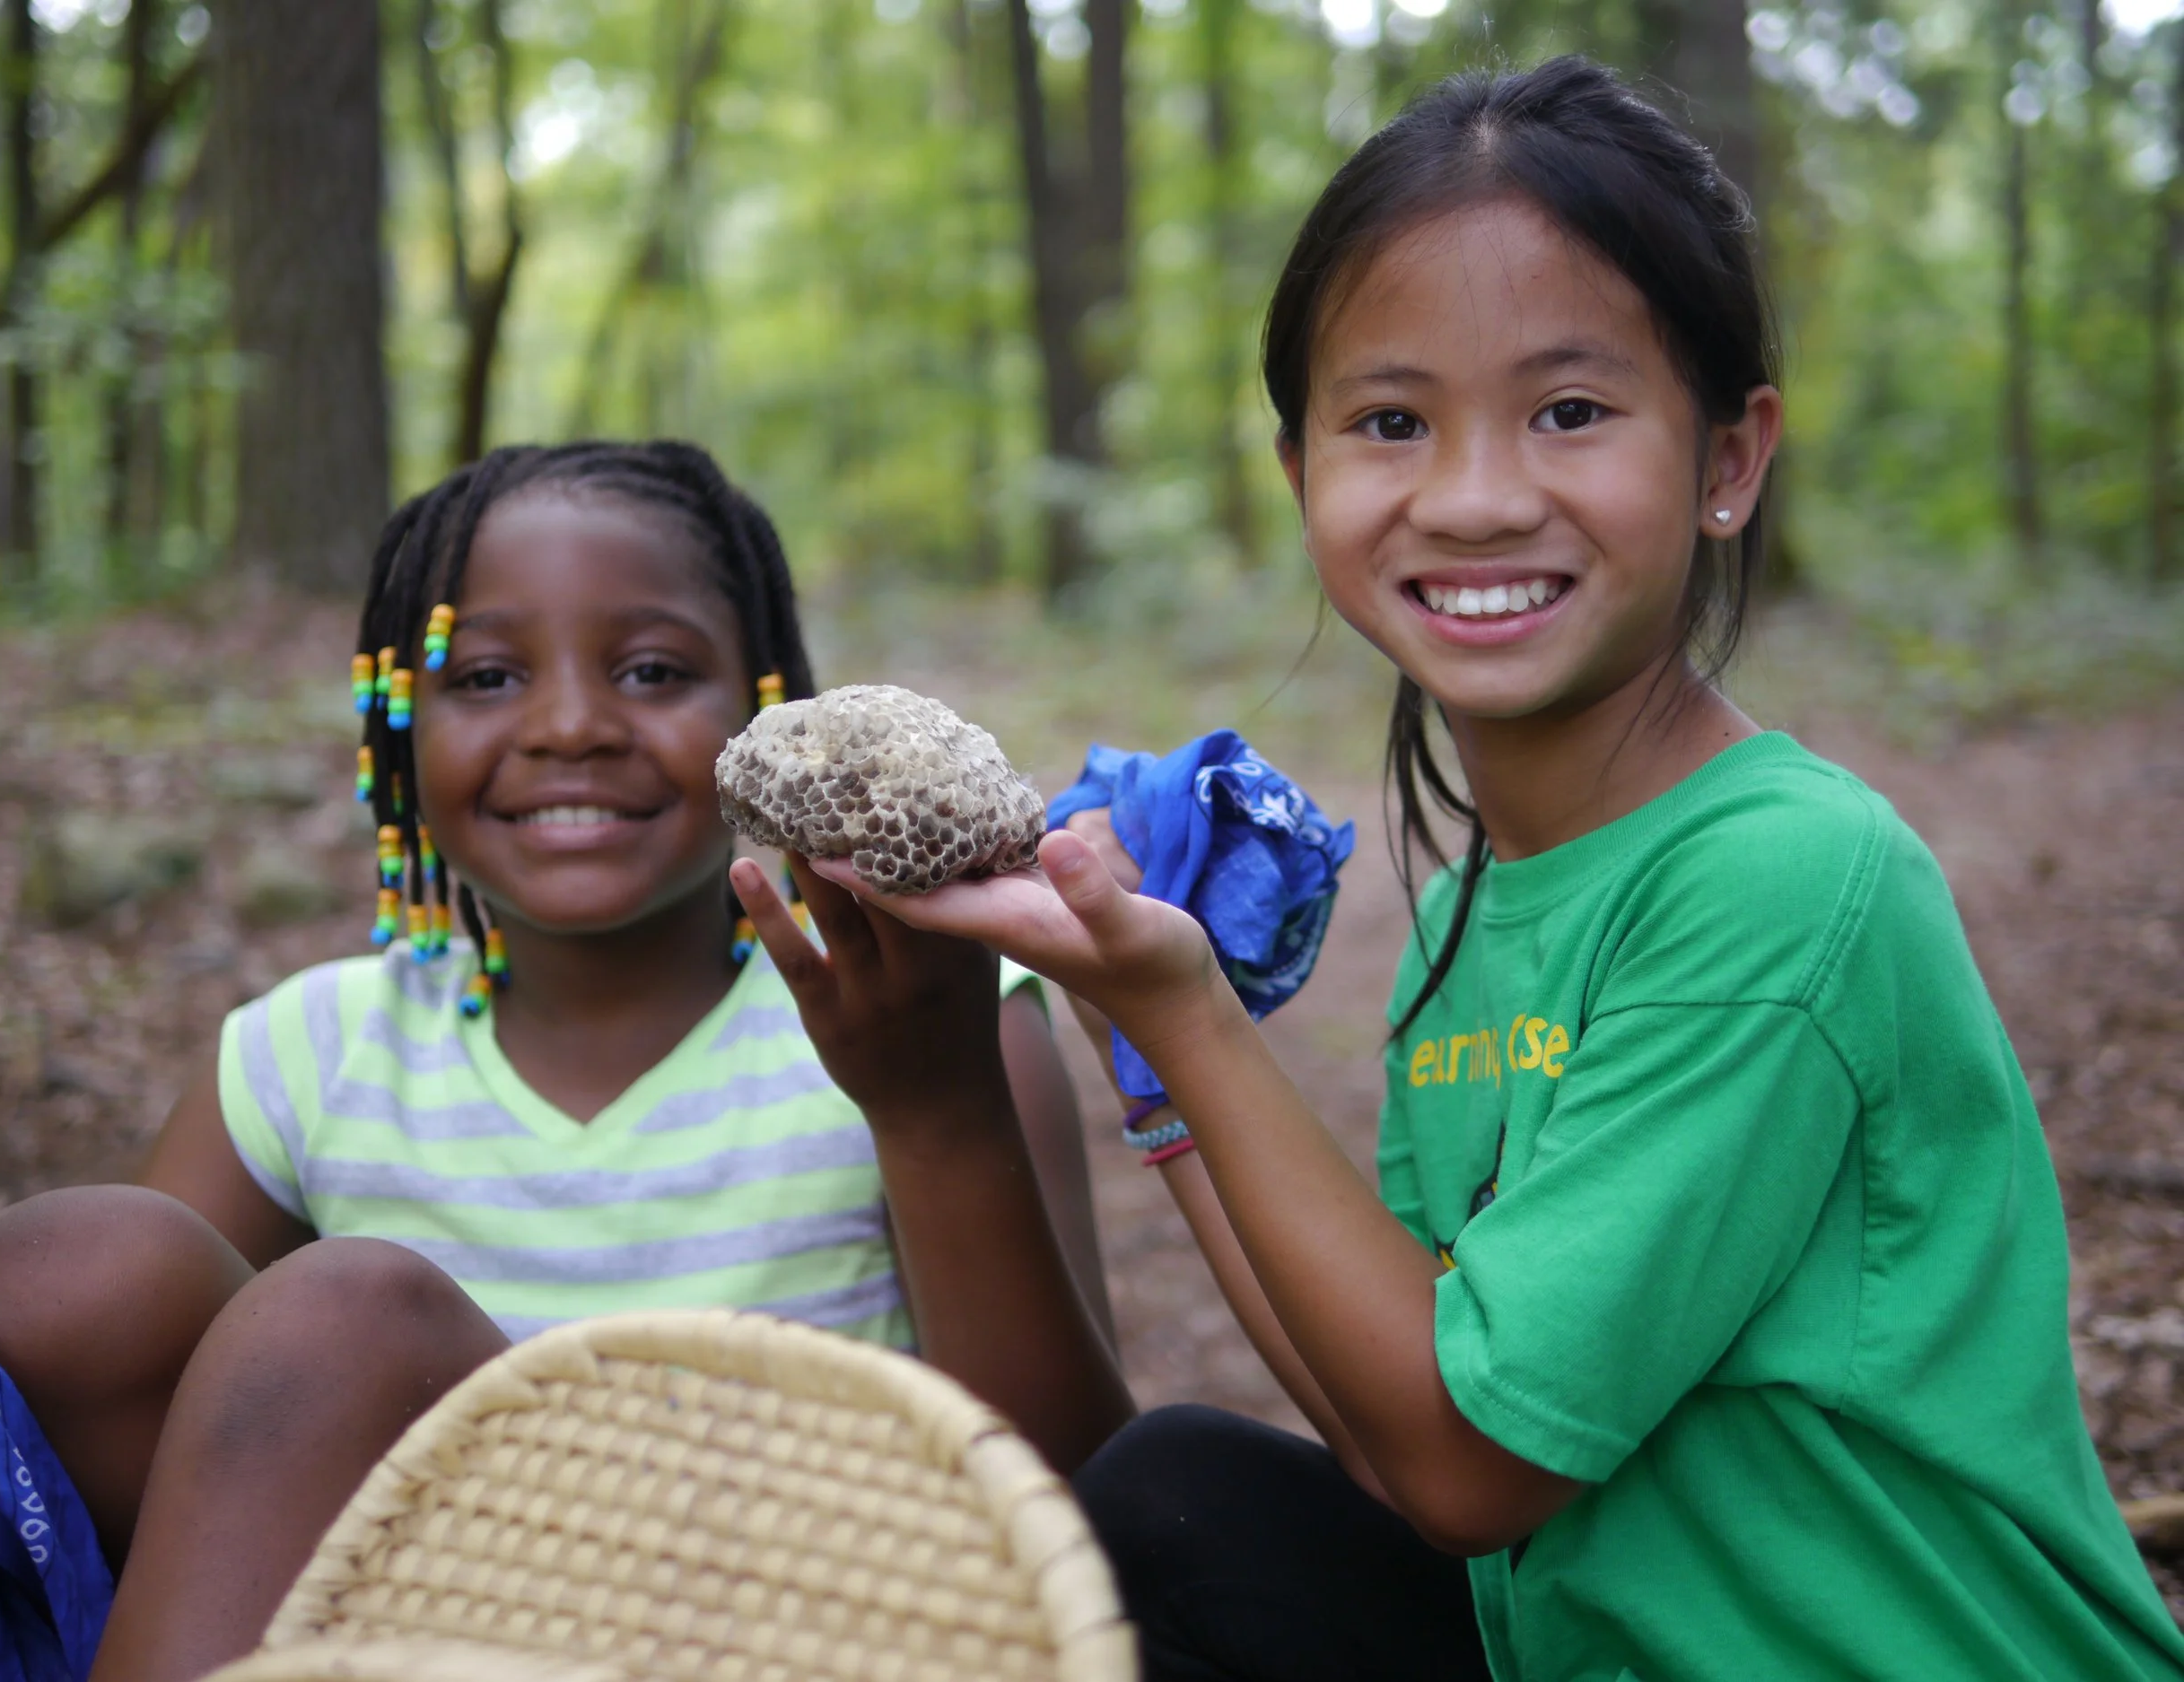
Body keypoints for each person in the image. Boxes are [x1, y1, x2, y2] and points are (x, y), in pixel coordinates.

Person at [805, 57, 2184, 1682]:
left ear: (1731, 461)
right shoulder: (1474, 911)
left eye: (1571, 411)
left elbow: (1469, 1466)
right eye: (1392, 421)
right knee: (1178, 1500)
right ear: (1299, 474)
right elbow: (1387, 1425)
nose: (1472, 496)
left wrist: (1182, 1007)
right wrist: (1157, 1050)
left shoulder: (1785, 879)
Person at [0, 440, 1130, 1682]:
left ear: (770, 705)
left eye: (654, 669)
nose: (569, 725)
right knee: (71, 1263)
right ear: (394, 726)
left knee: (343, 1315)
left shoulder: (926, 1013)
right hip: (409, 1636)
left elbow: (1079, 1498)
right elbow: (119, 1421)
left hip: (797, 1632)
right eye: (489, 675)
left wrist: (932, 1107)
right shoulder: (312, 1051)